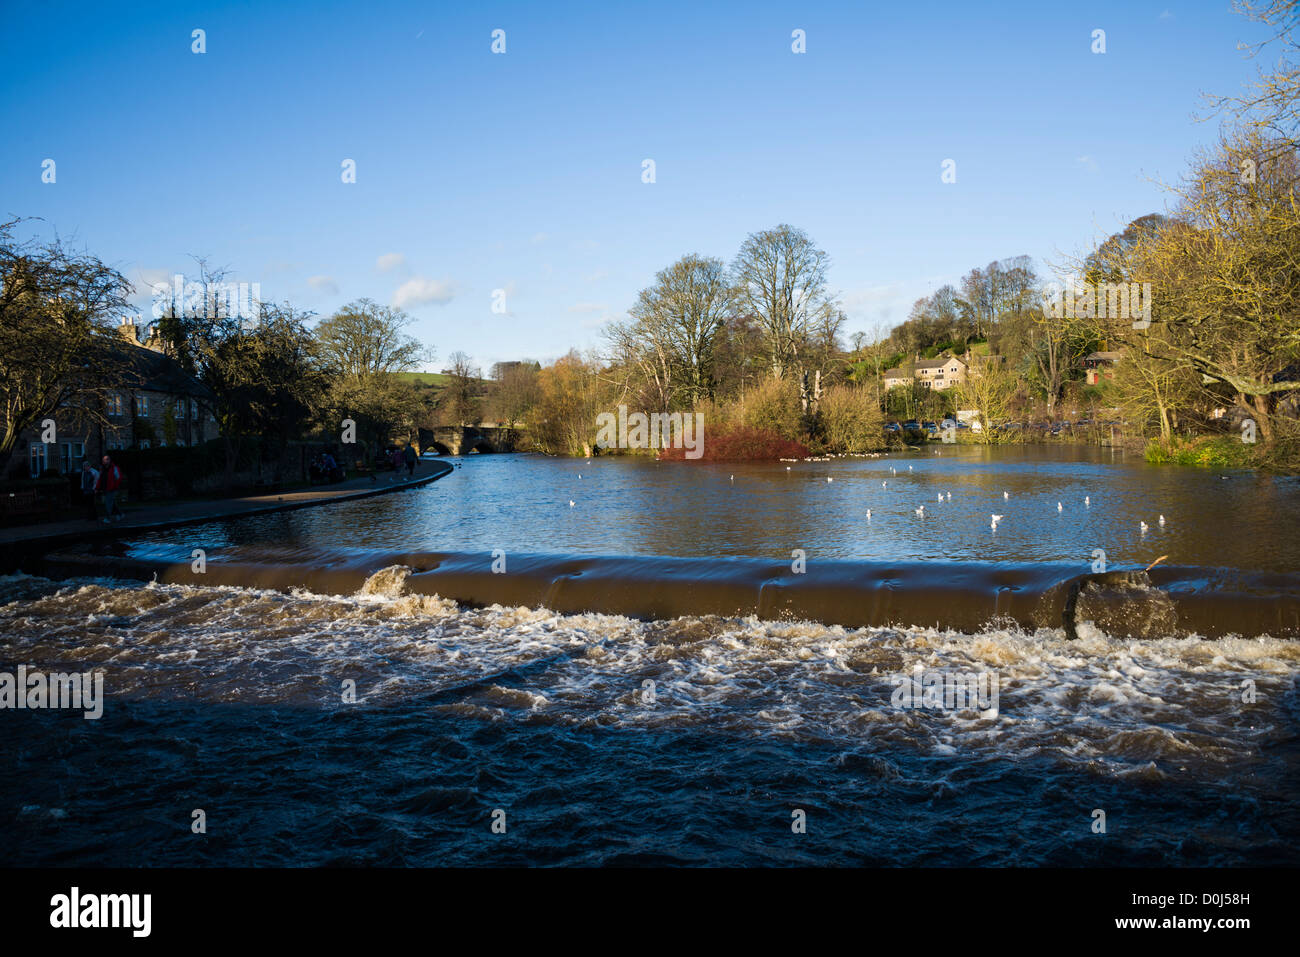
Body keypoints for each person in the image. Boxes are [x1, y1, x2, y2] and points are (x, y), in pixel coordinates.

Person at [95, 454, 124, 523]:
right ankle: (120, 514)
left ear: (110, 460)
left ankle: (107, 518)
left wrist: (114, 486)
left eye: (107, 459)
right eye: (104, 460)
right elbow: (100, 479)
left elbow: (119, 478)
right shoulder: (102, 469)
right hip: (105, 488)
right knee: (112, 503)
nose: (105, 461)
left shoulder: (114, 468)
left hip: (112, 489)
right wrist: (97, 488)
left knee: (108, 503)